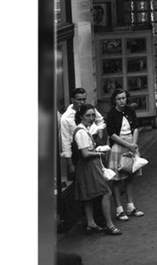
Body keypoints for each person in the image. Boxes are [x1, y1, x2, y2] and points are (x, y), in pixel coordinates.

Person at [71, 103, 122, 236]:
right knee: (106, 192)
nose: (91, 118)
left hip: (86, 166)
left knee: (88, 196)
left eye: (93, 115)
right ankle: (109, 225)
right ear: (81, 116)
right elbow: (85, 154)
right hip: (89, 166)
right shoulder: (81, 132)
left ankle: (91, 223)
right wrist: (99, 153)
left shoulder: (83, 130)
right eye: (88, 115)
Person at [106, 88, 144, 223]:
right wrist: (128, 146)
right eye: (119, 99)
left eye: (123, 98)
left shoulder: (130, 111)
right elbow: (112, 134)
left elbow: (135, 127)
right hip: (118, 147)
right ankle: (119, 209)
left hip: (131, 145)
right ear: (114, 100)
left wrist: (133, 144)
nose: (122, 101)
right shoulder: (110, 114)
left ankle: (130, 206)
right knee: (117, 179)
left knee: (130, 176)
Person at [60, 88, 105, 177]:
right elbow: (65, 141)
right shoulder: (66, 117)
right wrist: (70, 164)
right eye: (79, 100)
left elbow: (100, 120)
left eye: (84, 99)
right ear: (72, 100)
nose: (82, 102)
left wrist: (100, 130)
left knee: (100, 174)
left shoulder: (89, 108)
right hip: (79, 150)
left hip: (95, 143)